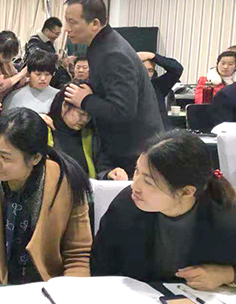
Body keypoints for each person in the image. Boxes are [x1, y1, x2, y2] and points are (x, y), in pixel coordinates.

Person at [0, 108, 93, 285]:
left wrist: (66, 295)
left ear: (35, 158)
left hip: (45, 288)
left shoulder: (67, 182)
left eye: (5, 157)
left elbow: (77, 256)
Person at [91, 130, 236, 291]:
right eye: (136, 171)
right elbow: (100, 267)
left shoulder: (225, 215)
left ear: (186, 192)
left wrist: (227, 274)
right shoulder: (126, 205)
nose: (135, 186)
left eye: (148, 182)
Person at [63, 0, 163, 175]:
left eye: (72, 22)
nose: (66, 29)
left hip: (135, 154)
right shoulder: (102, 45)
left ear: (94, 24)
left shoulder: (113, 54)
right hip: (125, 148)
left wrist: (85, 100)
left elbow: (123, 111)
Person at [46, 83, 128, 181]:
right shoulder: (45, 130)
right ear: (64, 106)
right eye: (81, 114)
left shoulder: (90, 136)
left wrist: (110, 174)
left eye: (89, 115)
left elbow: (101, 167)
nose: (85, 119)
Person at [2, 50, 59, 114]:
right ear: (28, 73)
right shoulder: (14, 97)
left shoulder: (58, 96)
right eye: (38, 74)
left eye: (47, 74)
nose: (43, 78)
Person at [137, 51, 184, 129]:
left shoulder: (158, 86)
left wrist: (152, 56)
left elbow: (177, 69)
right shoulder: (128, 88)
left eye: (150, 70)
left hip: (161, 132)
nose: (147, 74)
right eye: (143, 69)